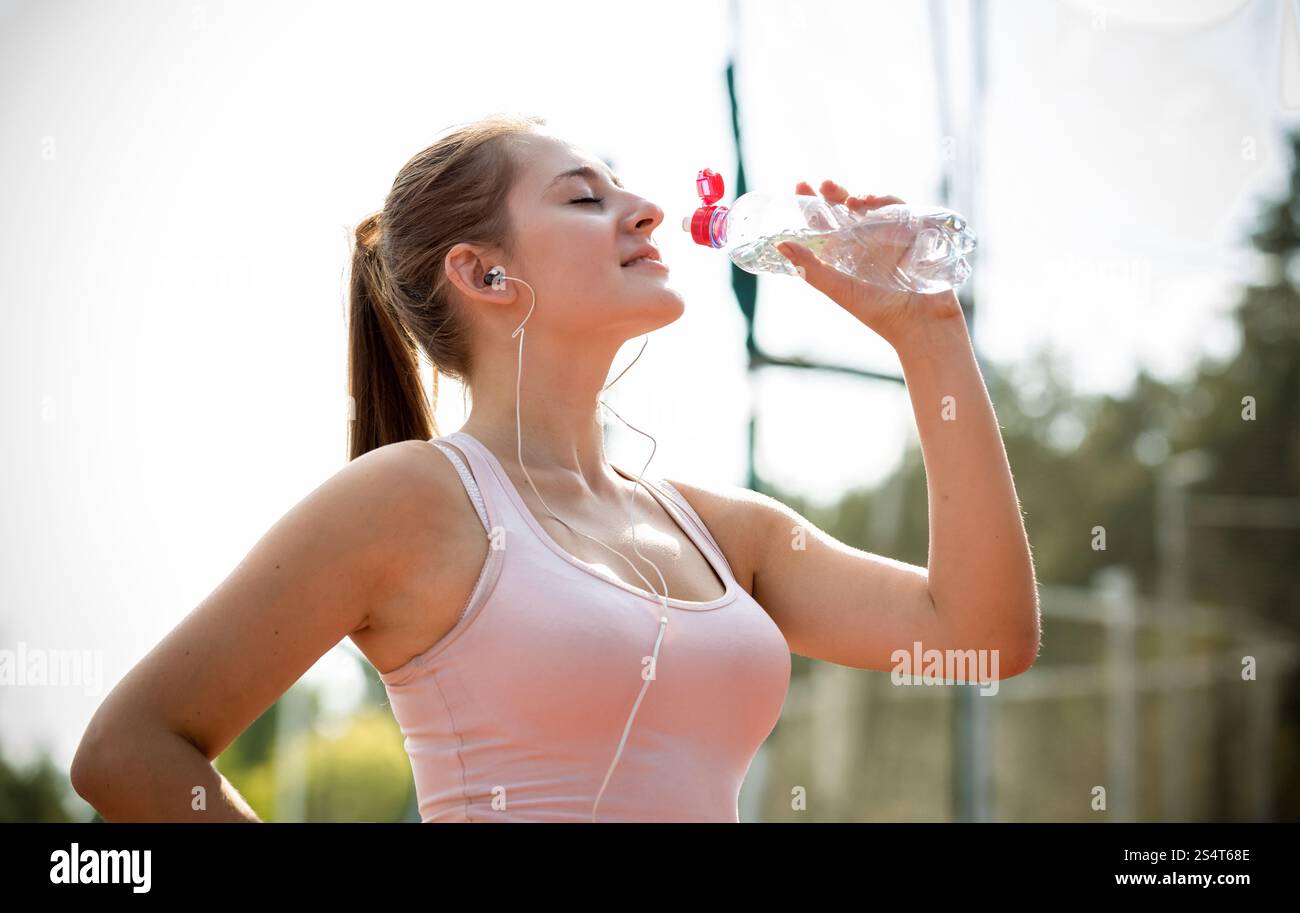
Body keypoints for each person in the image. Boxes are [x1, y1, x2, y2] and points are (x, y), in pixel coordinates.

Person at [70, 112, 1040, 823]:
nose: (650, 211)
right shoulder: (411, 498)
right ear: (485, 273)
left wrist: (927, 330)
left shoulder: (723, 530)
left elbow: (978, 633)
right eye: (586, 196)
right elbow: (128, 751)